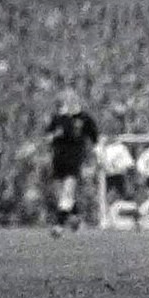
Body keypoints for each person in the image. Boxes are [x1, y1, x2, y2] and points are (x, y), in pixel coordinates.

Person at [44, 91, 100, 234]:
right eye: (66, 100)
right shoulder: (58, 118)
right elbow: (47, 136)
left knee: (67, 192)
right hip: (58, 159)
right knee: (60, 195)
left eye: (72, 99)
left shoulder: (85, 118)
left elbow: (94, 139)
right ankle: (75, 217)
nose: (69, 102)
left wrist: (94, 160)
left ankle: (59, 226)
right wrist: (52, 137)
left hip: (74, 159)